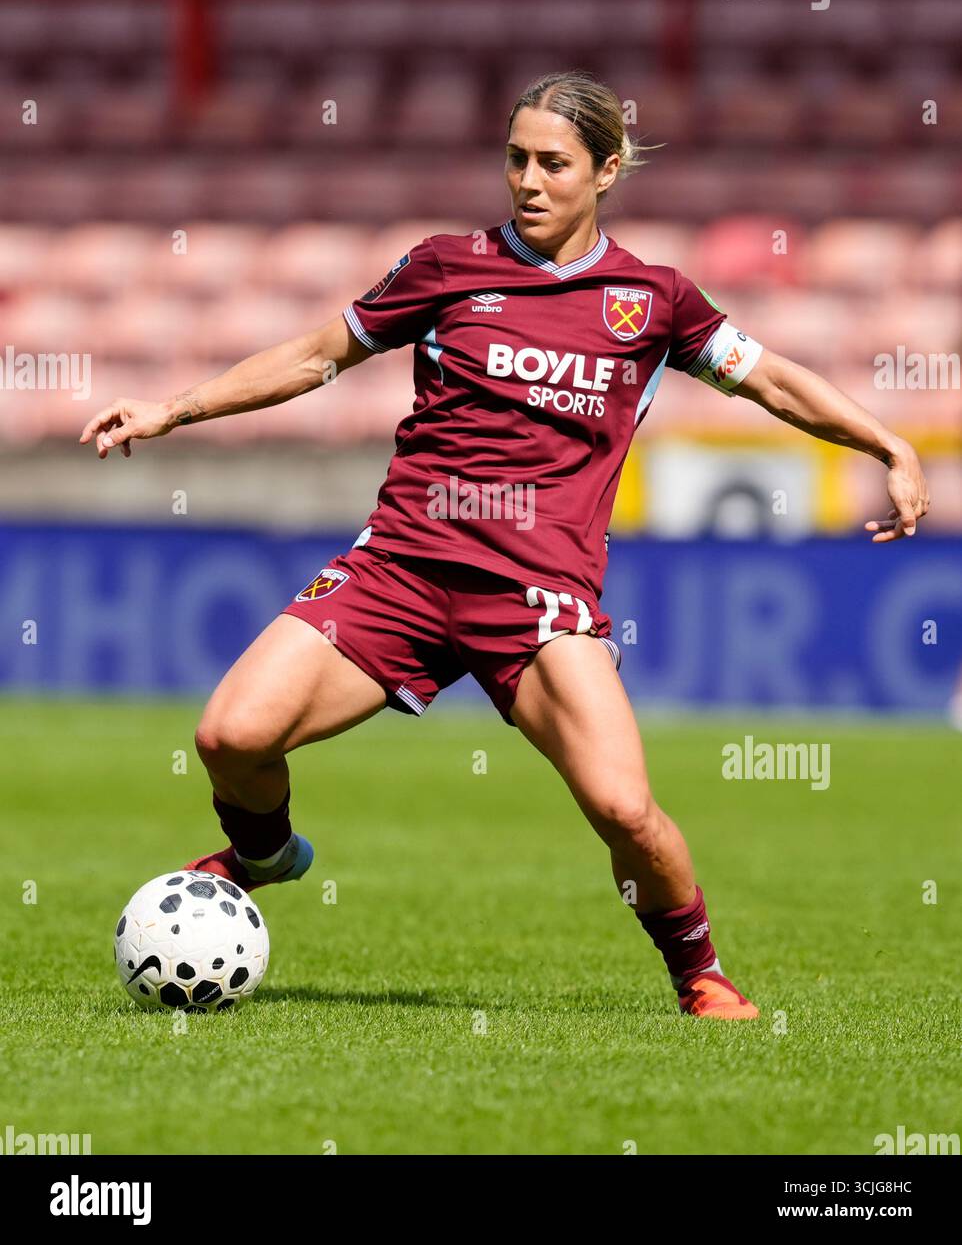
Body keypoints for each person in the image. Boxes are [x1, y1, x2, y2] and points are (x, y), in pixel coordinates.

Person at [80, 71, 930, 1019]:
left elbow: (772, 382)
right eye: (517, 159)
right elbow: (317, 355)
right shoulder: (446, 266)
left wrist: (885, 443)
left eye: (554, 163)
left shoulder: (652, 300)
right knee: (228, 735)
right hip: (399, 568)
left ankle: (699, 973)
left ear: (606, 170)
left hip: (536, 598)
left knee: (622, 810)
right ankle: (268, 856)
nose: (529, 180)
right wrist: (174, 408)